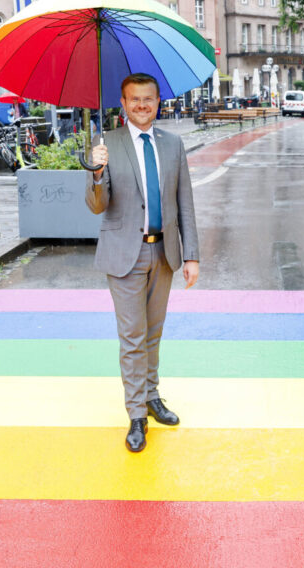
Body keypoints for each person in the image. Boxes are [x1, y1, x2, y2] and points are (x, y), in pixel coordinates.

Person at [86, 73, 200, 453]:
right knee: (133, 337)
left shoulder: (173, 144)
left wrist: (192, 255)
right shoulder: (106, 145)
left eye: (148, 99)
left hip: (163, 253)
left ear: (158, 102)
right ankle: (136, 414)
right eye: (134, 99)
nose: (142, 105)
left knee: (153, 332)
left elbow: (185, 202)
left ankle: (151, 396)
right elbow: (96, 206)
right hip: (124, 254)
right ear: (123, 103)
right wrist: (97, 173)